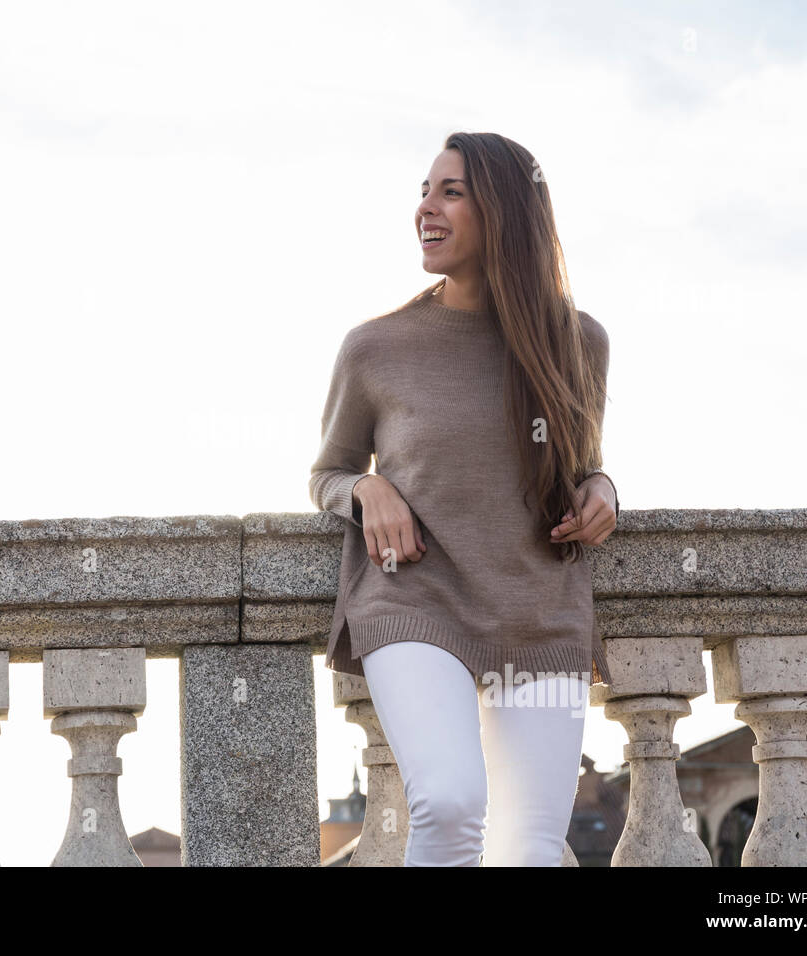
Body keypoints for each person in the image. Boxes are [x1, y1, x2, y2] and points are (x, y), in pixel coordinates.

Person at [308, 131, 619, 866]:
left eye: (450, 192)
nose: (426, 208)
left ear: (506, 212)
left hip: (538, 604)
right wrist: (368, 488)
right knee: (448, 804)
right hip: (415, 601)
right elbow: (327, 470)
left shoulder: (580, 342)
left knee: (533, 846)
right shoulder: (374, 348)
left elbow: (583, 462)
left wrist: (603, 488)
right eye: (424, 191)